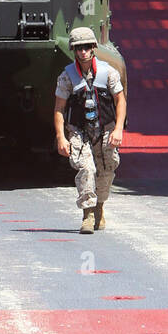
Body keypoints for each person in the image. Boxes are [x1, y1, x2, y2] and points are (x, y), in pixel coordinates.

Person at [54, 27, 126, 234]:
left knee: (107, 169)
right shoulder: (67, 77)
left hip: (106, 129)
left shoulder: (108, 72)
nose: (83, 52)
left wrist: (119, 129)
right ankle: (88, 214)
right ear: (74, 50)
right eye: (79, 48)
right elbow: (59, 109)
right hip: (79, 130)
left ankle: (100, 206)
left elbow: (120, 100)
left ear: (93, 48)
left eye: (86, 47)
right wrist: (61, 137)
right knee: (87, 169)